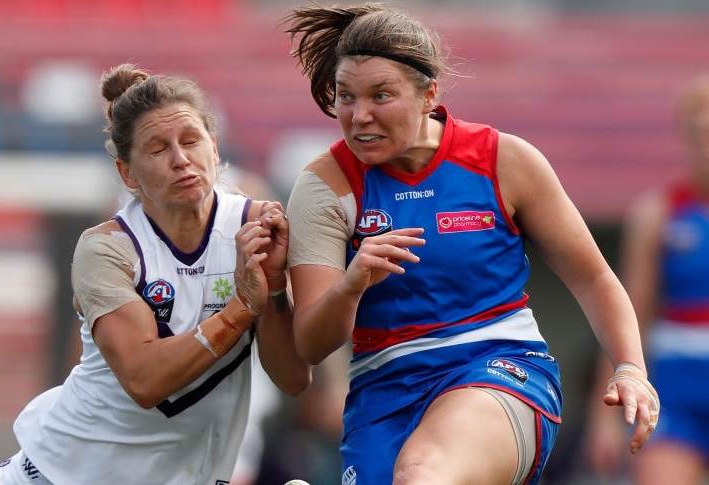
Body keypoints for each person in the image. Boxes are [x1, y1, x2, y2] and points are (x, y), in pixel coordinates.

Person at [281, 4, 659, 484]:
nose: (360, 116)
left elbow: (593, 277)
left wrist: (630, 368)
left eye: (381, 95)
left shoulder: (504, 160)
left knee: (422, 474)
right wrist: (351, 286)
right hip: (384, 389)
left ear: (427, 94)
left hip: (499, 366)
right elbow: (312, 343)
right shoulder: (321, 187)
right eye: (346, 97)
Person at [0, 64, 311, 485]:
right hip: (60, 473)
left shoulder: (255, 227)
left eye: (191, 141)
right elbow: (144, 380)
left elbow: (293, 379)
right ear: (127, 173)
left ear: (214, 147)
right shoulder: (108, 247)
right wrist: (242, 308)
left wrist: (276, 289)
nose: (180, 159)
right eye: (157, 149)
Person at [585, 75, 709, 484]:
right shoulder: (657, 215)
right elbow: (628, 314)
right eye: (700, 134)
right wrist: (602, 420)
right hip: (678, 386)